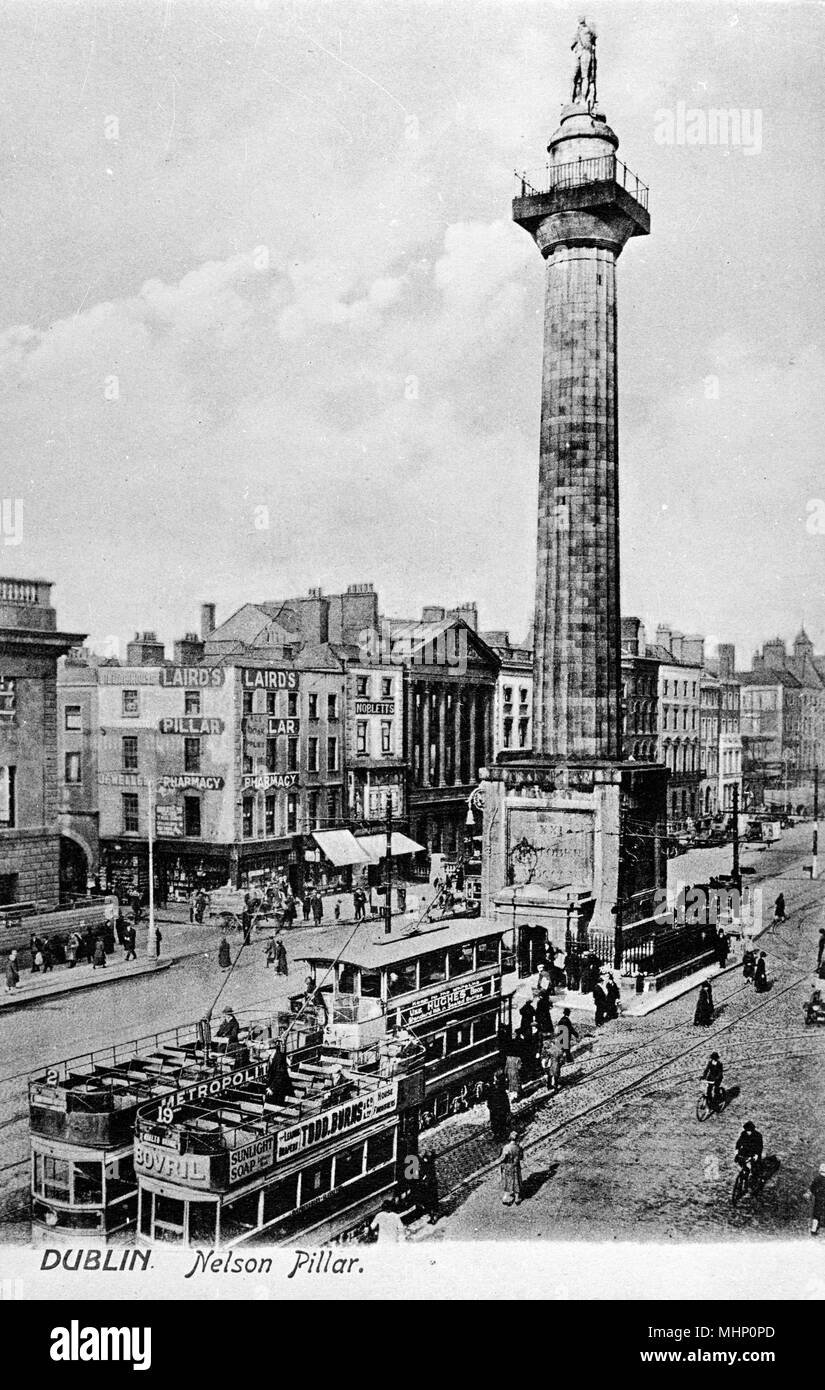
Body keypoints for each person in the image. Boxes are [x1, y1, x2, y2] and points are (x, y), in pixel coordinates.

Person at [264, 1040, 294, 1104]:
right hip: (275, 1086)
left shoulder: (279, 1057)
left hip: (281, 1088)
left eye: (266, 1048)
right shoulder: (272, 1056)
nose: (265, 1050)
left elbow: (280, 1075)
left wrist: (272, 1088)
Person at [500, 1131, 524, 1207]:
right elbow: (521, 1157)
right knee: (517, 1181)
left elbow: (503, 1158)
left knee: (508, 1182)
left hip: (508, 1166)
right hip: (516, 1166)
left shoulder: (506, 1147)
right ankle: (517, 1199)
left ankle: (505, 1198)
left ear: (510, 1138)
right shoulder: (519, 1147)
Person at [487, 1069, 511, 1143]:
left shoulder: (499, 1089)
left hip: (498, 1110)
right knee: (496, 1123)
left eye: (495, 1078)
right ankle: (498, 1135)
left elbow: (505, 1101)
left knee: (500, 1123)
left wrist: (507, 1110)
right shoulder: (496, 1088)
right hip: (495, 1110)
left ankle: (501, 1135)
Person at [417, 1154, 439, 1224]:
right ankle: (432, 1216)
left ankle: (434, 1217)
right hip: (429, 1185)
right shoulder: (427, 1165)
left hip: (429, 1186)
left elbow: (428, 1176)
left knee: (431, 1202)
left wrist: (424, 1180)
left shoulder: (428, 1167)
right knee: (430, 1202)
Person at [805, 1162, 825, 1236]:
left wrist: (808, 1194)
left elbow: (811, 1189)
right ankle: (815, 1230)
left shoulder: (817, 1178)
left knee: (816, 1215)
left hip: (819, 1199)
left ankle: (813, 1230)